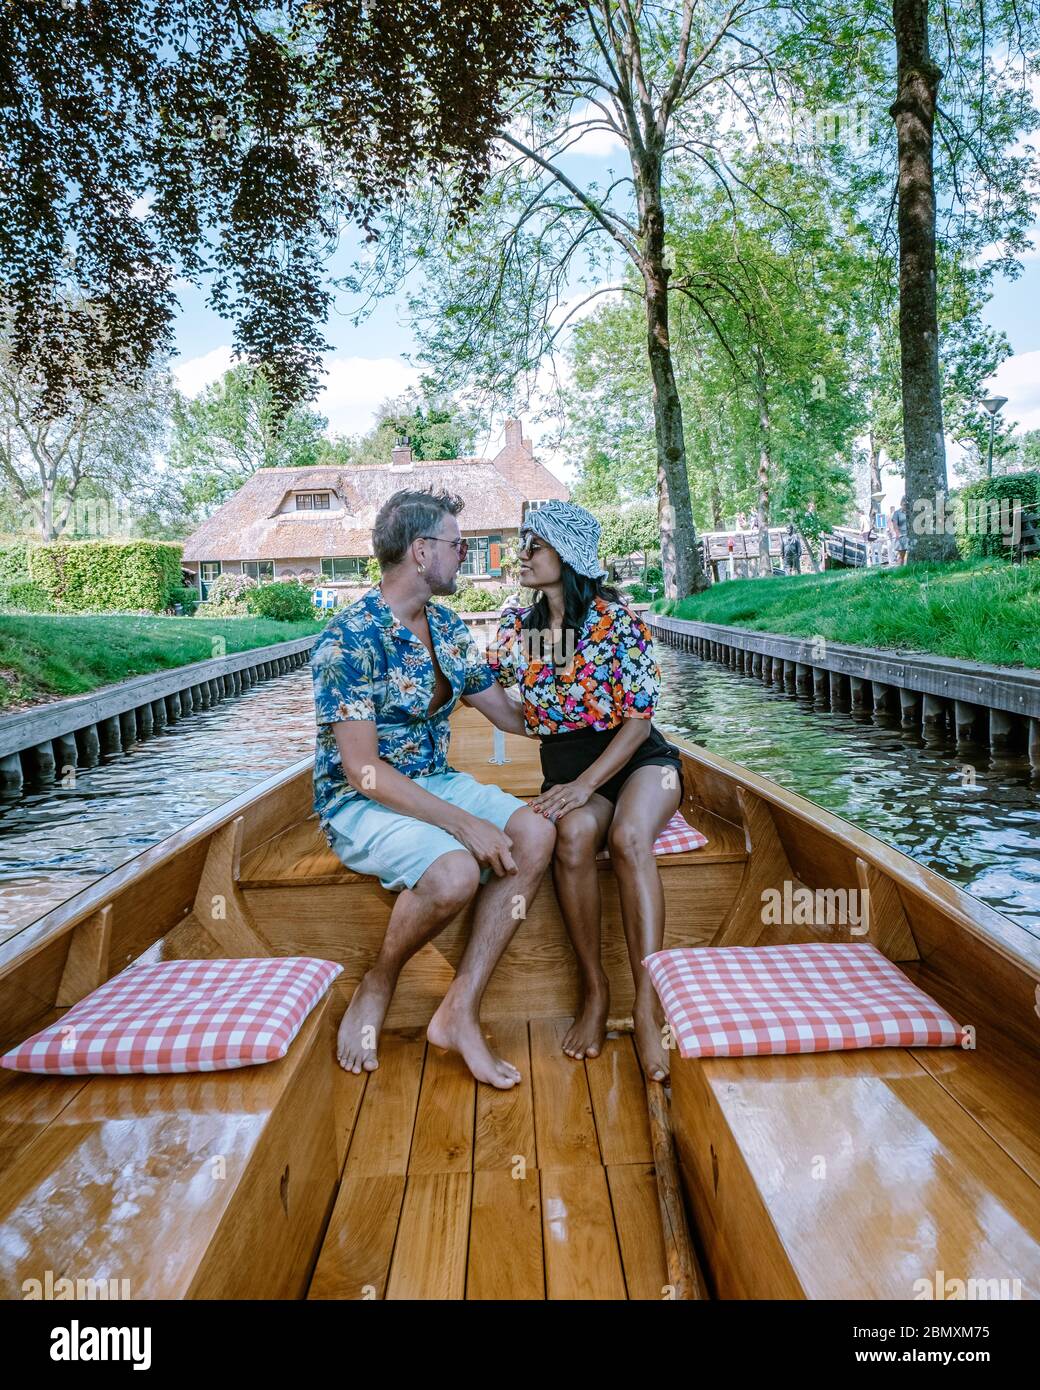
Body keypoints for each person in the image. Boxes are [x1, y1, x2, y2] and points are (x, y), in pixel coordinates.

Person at [310, 488, 556, 1089]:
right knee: (454, 874)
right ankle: (380, 981)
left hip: (434, 779)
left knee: (535, 831)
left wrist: (600, 718)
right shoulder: (348, 640)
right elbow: (363, 770)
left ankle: (459, 1009)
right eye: (457, 544)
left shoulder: (445, 626)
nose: (466, 554)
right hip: (361, 800)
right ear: (421, 552)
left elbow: (506, 714)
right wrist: (461, 822)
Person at [488, 500, 684, 1082]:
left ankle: (648, 1006)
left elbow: (639, 721)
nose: (521, 555)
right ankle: (595, 991)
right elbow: (513, 710)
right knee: (572, 838)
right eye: (524, 544)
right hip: (569, 769)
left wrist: (582, 785)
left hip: (639, 761)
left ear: (567, 558)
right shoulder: (520, 629)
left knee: (627, 838)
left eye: (535, 546)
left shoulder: (616, 621)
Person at [890, 496, 910, 565]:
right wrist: (897, 533)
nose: (905, 506)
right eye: (904, 504)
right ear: (901, 504)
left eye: (907, 505)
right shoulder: (897, 513)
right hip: (902, 536)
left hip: (909, 535)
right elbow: (895, 524)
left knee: (910, 556)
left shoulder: (910, 512)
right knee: (901, 556)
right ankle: (900, 570)